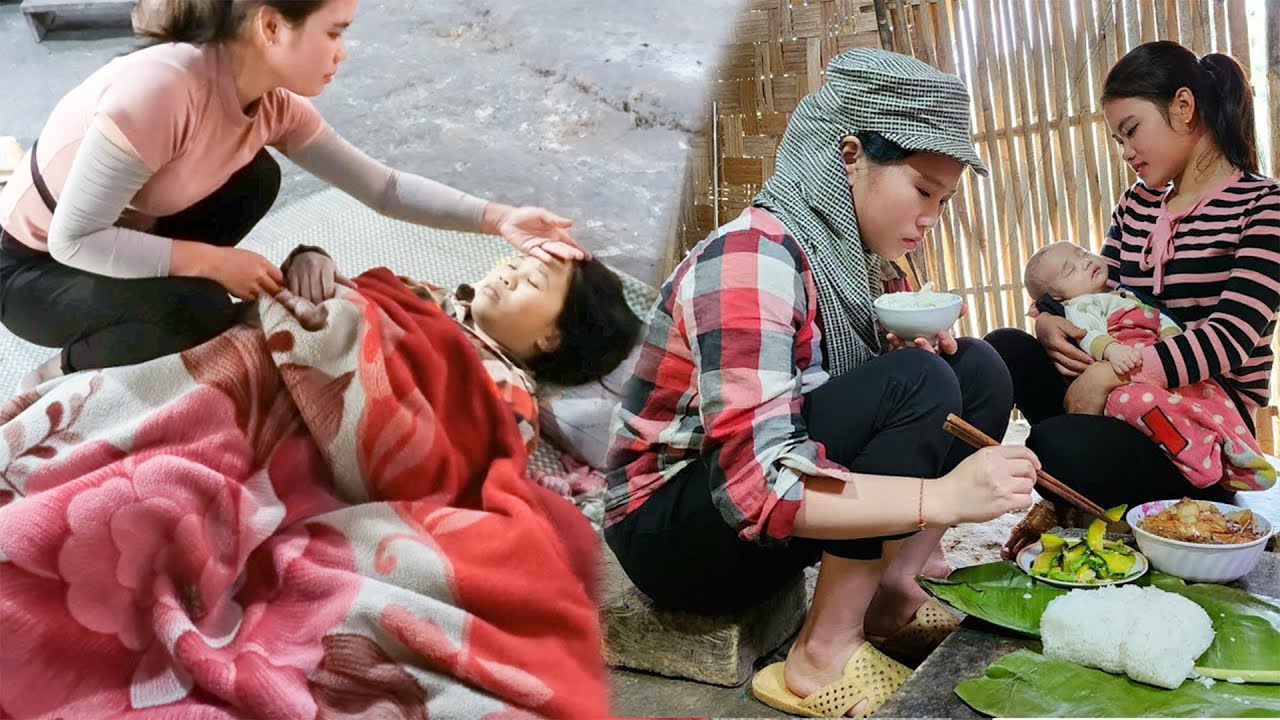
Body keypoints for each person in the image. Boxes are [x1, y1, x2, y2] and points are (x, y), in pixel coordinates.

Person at [604, 48, 1039, 719]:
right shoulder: (751, 258)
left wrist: (895, 357)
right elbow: (760, 486)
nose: (931, 218)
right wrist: (941, 495)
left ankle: (897, 587)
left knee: (974, 366)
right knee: (917, 380)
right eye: (924, 191)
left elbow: (834, 405)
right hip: (673, 533)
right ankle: (821, 655)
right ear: (848, 157)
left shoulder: (855, 266)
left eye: (944, 201)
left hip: (757, 513)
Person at [0, 0, 586, 393]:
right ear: (271, 26)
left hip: (128, 236)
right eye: (334, 33)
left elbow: (383, 188)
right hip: (34, 269)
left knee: (258, 178)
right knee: (201, 310)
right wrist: (213, 262)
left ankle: (171, 293)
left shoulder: (271, 104)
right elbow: (72, 239)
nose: (342, 52)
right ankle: (58, 371)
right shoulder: (162, 89)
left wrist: (502, 218)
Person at [986, 41, 1280, 557]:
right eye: (1118, 139)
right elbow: (1097, 288)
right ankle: (1072, 484)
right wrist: (1048, 323)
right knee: (1002, 349)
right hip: (1119, 404)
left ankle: (1199, 489)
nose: (1126, 153)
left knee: (1051, 447)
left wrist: (1108, 374)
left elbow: (1231, 338)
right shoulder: (1137, 206)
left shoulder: (1264, 205)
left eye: (1131, 130)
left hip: (1199, 422)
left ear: (1184, 108)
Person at [281, 245, 642, 449]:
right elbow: (349, 297)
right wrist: (311, 263)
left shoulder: (506, 394)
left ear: (550, 338)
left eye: (531, 281)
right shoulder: (426, 295)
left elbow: (430, 454)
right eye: (515, 262)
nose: (507, 274)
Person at [1022, 240, 1274, 491]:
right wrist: (1050, 318)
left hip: (1176, 365)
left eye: (1084, 252)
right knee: (1132, 403)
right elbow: (1089, 334)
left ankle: (1240, 455)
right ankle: (1196, 456)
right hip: (1124, 365)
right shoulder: (1084, 304)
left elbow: (1167, 321)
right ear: (1056, 297)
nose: (1086, 261)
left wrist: (1169, 337)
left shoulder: (1124, 296)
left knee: (1209, 393)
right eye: (1070, 269)